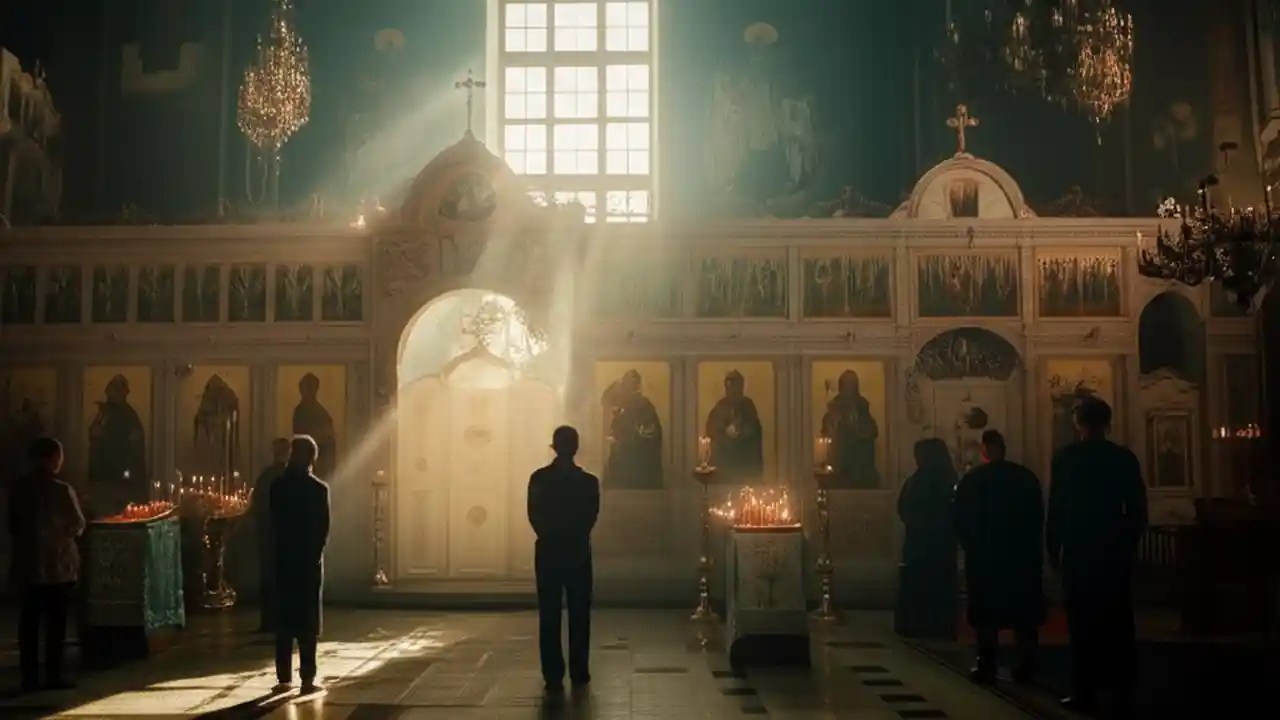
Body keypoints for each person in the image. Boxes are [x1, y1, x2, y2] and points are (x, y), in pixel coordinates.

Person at [1047, 399, 1147, 716]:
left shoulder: (1067, 458)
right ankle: (1122, 691)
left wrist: (1053, 548)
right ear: (1107, 423)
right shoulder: (1123, 458)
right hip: (1113, 551)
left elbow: (1057, 508)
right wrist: (1127, 543)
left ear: (1078, 423)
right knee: (1118, 624)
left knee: (1082, 625)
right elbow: (1137, 509)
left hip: (1080, 549)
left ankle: (1084, 691)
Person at [953, 430, 1045, 684]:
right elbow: (1037, 516)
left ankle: (987, 663)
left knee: (986, 615)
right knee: (1023, 614)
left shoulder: (974, 480)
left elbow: (959, 517)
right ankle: (1027, 663)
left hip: (985, 556)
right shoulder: (1025, 478)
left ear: (985, 450)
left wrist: (968, 544)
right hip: (1020, 556)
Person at [8, 437, 85, 692]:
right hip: (57, 567)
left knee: (28, 625)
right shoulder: (61, 490)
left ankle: (29, 677)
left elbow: (12, 525)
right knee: (56, 624)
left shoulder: (18, 488)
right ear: (53, 458)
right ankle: (53, 675)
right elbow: (76, 523)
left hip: (27, 565)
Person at [528, 426, 600, 693]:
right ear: (576, 447)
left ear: (554, 447)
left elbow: (534, 513)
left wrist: (550, 534)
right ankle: (579, 670)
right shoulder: (589, 482)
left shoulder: (539, 479)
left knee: (549, 614)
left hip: (549, 550)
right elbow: (591, 515)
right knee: (579, 613)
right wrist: (574, 534)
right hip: (577, 550)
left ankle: (553, 672)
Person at [270, 435, 331, 696]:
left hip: (284, 559)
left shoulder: (278, 486)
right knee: (307, 622)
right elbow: (322, 529)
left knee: (284, 620)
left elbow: (274, 523)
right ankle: (307, 676)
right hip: (307, 562)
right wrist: (314, 554)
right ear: (312, 458)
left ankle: (283, 676)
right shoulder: (318, 489)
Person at [896, 438, 957, 640]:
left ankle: (921, 625)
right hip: (935, 543)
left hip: (925, 542)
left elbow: (904, 508)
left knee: (925, 587)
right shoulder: (947, 478)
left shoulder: (921, 480)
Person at [250, 438, 291, 633]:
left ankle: (272, 620)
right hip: (275, 534)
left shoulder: (271, 475)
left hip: (273, 534)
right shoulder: (278, 476)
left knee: (273, 579)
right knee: (273, 579)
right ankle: (273, 620)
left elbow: (257, 503)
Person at [602, 370, 663, 489]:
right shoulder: (622, 403)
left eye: (630, 383)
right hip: (624, 455)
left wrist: (631, 432)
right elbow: (605, 400)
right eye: (626, 383)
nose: (627, 386)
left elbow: (650, 432)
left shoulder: (644, 405)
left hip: (639, 456)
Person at [821, 370, 880, 489]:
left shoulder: (863, 409)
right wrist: (834, 422)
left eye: (852, 385)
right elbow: (826, 437)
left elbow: (871, 432)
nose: (849, 389)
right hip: (839, 470)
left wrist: (855, 425)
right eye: (846, 385)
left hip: (861, 470)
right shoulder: (833, 409)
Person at [704, 370, 764, 481]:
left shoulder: (748, 405)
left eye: (737, 387)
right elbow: (712, 430)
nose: (733, 391)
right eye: (730, 388)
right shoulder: (720, 407)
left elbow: (754, 428)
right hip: (725, 460)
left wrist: (740, 432)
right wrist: (726, 436)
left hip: (745, 460)